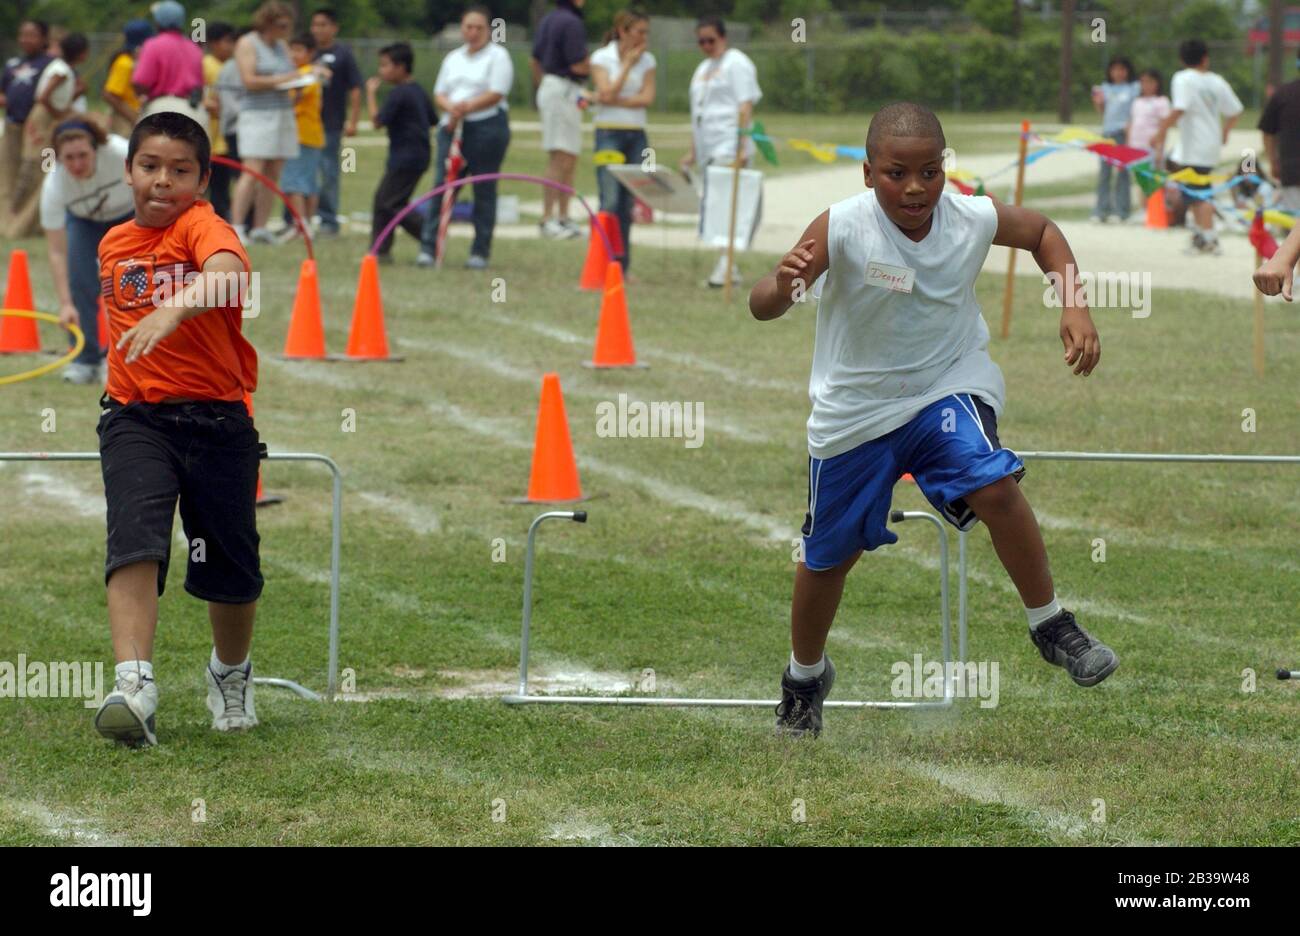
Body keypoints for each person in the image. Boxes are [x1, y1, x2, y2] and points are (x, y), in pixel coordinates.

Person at [748, 102, 1115, 739]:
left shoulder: (969, 218)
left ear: (945, 171)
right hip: (855, 411)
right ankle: (804, 678)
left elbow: (1043, 233)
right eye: (896, 173)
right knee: (826, 560)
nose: (914, 188)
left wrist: (1074, 304)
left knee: (994, 482)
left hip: (947, 386)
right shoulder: (841, 227)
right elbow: (763, 307)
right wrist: (782, 285)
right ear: (867, 174)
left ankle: (1052, 625)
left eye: (929, 172)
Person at [92, 112, 261, 748]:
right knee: (135, 537)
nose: (163, 181)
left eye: (180, 170)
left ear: (201, 180)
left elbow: (228, 272)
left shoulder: (203, 225)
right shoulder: (111, 243)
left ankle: (230, 672)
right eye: (150, 166)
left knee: (229, 562)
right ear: (130, 170)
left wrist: (176, 306)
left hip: (218, 416)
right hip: (136, 416)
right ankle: (134, 686)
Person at [417, 5, 513, 270]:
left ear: (488, 30)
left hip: (486, 128)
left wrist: (464, 108)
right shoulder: (453, 58)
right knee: (442, 187)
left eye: (478, 28)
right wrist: (452, 110)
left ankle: (479, 252)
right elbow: (440, 93)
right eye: (468, 27)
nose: (472, 33)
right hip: (452, 128)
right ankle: (429, 247)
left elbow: (496, 93)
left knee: (484, 191)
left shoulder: (498, 56)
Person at [41, 120, 136, 385]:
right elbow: (57, 251)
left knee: (126, 285)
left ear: (97, 149)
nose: (77, 164)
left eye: (83, 155)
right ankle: (85, 359)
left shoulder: (121, 153)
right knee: (81, 279)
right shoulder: (54, 186)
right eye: (68, 158)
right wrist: (65, 304)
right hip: (83, 220)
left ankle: (124, 358)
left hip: (129, 214)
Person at [229, 1, 318, 244]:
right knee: (252, 170)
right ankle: (236, 226)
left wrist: (299, 83)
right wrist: (285, 78)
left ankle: (260, 226)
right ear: (267, 22)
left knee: (273, 172)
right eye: (281, 25)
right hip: (257, 114)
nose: (285, 30)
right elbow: (249, 80)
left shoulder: (281, 46)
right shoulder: (247, 43)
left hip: (282, 113)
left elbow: (289, 74)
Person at [683, 15, 762, 288]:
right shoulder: (703, 68)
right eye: (701, 41)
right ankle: (727, 266)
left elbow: (744, 106)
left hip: (729, 144)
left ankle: (726, 268)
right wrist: (693, 151)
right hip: (708, 147)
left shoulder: (737, 63)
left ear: (723, 38)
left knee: (726, 207)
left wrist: (741, 146)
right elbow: (699, 114)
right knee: (716, 206)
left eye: (710, 40)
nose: (705, 45)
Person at [1151, 39, 1243, 255]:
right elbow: (1236, 110)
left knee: (1198, 194)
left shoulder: (1183, 78)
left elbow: (1180, 108)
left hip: (1193, 147)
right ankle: (1202, 234)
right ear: (1205, 58)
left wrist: (1161, 130)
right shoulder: (1216, 81)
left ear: (1182, 59)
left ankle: (1209, 237)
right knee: (1196, 192)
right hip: (1208, 146)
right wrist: (1225, 131)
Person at [590, 9, 655, 273]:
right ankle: (601, 262)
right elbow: (606, 91)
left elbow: (646, 98)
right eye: (639, 31)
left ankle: (621, 267)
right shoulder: (601, 57)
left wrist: (611, 99)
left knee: (628, 203)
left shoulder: (648, 60)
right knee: (610, 200)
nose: (643, 38)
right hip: (608, 133)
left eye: (646, 32)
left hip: (636, 134)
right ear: (622, 31)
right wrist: (627, 65)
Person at [366, 42, 436, 261]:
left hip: (405, 157)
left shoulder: (399, 93)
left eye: (385, 65)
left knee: (389, 203)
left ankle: (430, 235)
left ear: (401, 67)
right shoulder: (418, 90)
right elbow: (434, 120)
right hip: (418, 155)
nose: (381, 70)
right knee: (386, 201)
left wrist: (370, 94)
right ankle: (380, 250)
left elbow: (377, 122)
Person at [531, 0, 590, 239]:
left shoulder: (548, 19)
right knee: (560, 155)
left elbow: (534, 60)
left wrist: (542, 86)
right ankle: (548, 218)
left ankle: (564, 217)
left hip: (556, 87)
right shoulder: (572, 22)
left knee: (569, 155)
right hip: (563, 88)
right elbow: (577, 64)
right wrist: (595, 66)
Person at [309, 8, 363, 237]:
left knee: (329, 171)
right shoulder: (305, 51)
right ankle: (297, 218)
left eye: (323, 24)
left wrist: (353, 121)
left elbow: (355, 88)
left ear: (334, 27)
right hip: (303, 123)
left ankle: (329, 220)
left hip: (330, 122)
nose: (318, 29)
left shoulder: (343, 53)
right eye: (315, 24)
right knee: (302, 171)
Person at [1, 20, 54, 238]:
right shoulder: (13, 64)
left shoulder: (52, 65)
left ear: (43, 38)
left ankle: (34, 223)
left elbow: (75, 87)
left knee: (40, 171)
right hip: (14, 127)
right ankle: (7, 220)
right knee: (7, 174)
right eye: (23, 34)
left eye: (32, 35)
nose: (26, 39)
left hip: (40, 133)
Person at [279, 33, 325, 243]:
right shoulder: (304, 73)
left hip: (302, 135)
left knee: (294, 182)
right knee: (306, 182)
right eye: (292, 50)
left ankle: (302, 225)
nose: (294, 55)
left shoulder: (307, 74)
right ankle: (306, 223)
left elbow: (296, 93)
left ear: (310, 53)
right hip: (308, 135)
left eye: (299, 50)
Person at [131, 1, 206, 125]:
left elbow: (140, 83)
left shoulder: (153, 45)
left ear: (158, 21)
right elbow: (200, 87)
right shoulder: (194, 47)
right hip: (193, 110)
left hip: (161, 108)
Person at [1089, 57, 1138, 223]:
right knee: (1104, 173)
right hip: (1107, 134)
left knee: (1123, 173)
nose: (1118, 73)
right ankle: (1101, 210)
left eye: (1122, 69)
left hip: (1123, 133)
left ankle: (1122, 210)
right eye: (1115, 69)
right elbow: (1103, 112)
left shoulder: (1133, 88)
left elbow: (1135, 111)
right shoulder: (1105, 88)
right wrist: (1098, 103)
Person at [202, 22, 237, 220]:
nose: (231, 46)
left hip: (224, 137)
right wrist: (211, 104)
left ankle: (222, 219)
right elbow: (201, 96)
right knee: (211, 185)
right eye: (227, 41)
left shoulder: (230, 66)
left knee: (224, 186)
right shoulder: (206, 64)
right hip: (211, 137)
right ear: (214, 43)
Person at [1259, 54, 1300, 213]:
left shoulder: (1283, 93)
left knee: (1294, 224)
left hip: (1292, 169)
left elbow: (1267, 131)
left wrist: (1273, 161)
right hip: (1292, 169)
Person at [101, 20, 154, 138]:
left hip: (132, 116)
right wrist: (133, 118)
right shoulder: (124, 63)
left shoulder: (133, 61)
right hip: (124, 120)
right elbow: (109, 94)